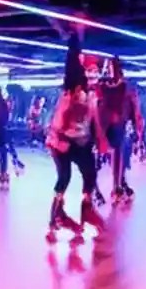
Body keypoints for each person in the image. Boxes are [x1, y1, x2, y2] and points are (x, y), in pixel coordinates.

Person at [46, 32, 110, 243]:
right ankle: (56, 217)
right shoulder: (74, 93)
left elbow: (94, 120)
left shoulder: (91, 95)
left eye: (95, 72)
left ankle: (87, 209)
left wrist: (100, 139)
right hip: (62, 141)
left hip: (80, 142)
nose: (93, 75)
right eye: (89, 71)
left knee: (90, 174)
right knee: (64, 177)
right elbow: (60, 118)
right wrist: (61, 137)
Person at [96, 57, 145, 202]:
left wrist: (137, 130)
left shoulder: (126, 89)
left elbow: (135, 110)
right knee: (106, 158)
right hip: (106, 126)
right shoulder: (105, 87)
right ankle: (109, 187)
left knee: (119, 156)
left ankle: (118, 185)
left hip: (118, 126)